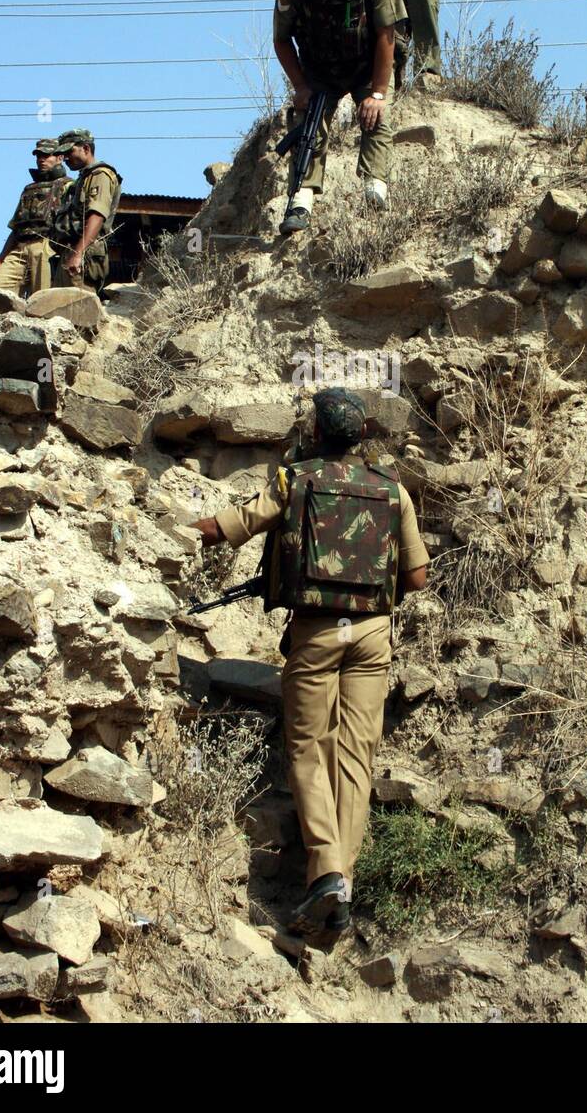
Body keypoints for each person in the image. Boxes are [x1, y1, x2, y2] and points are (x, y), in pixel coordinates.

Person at [192, 388, 430, 937]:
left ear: (316, 434)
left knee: (306, 748)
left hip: (317, 634)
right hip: (373, 637)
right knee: (354, 758)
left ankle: (325, 872)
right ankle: (338, 888)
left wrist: (178, 530)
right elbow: (417, 577)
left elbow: (228, 527)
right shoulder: (392, 491)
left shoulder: (295, 480)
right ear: (361, 438)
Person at [273, 0, 408, 231]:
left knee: (377, 117)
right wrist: (301, 86)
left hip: (367, 62)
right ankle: (301, 201)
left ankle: (375, 191)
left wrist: (377, 93)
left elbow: (387, 33)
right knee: (309, 125)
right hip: (320, 69)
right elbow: (281, 40)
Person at [0, 138, 71, 297]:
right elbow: (16, 228)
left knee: (41, 299)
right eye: (39, 155)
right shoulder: (29, 189)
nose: (41, 159)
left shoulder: (68, 186)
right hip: (18, 249)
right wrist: (0, 259)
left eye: (47, 155)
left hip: (45, 247)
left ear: (60, 158)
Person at [50, 128, 122, 291]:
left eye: (69, 151)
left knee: (77, 309)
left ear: (86, 149)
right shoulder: (82, 179)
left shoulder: (101, 174)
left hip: (84, 255)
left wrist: (78, 253)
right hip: (69, 252)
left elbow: (97, 216)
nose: (66, 158)